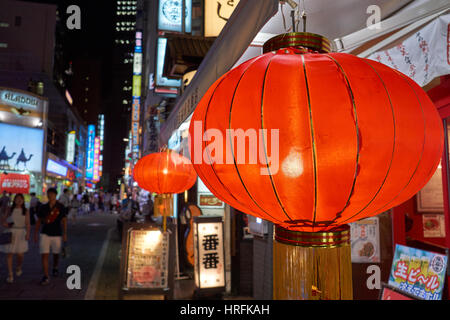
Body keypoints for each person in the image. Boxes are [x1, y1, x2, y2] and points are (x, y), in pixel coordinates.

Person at [34, 188, 67, 285]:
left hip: (57, 233)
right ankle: (46, 275)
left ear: (55, 195)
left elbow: (64, 220)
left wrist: (65, 234)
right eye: (49, 194)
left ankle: (55, 267)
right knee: (45, 254)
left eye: (52, 194)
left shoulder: (60, 207)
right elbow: (39, 221)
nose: (50, 195)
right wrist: (35, 233)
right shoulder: (43, 207)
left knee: (56, 253)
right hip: (45, 233)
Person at [0, 194, 31, 283]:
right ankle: (10, 274)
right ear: (14, 200)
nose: (19, 200)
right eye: (17, 199)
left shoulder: (26, 210)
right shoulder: (10, 209)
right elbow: (3, 220)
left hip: (21, 233)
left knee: (20, 254)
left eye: (21, 199)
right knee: (9, 254)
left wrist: (28, 233)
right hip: (10, 232)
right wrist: (5, 223)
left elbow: (28, 223)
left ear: (23, 200)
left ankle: (19, 267)